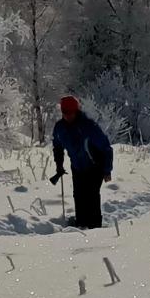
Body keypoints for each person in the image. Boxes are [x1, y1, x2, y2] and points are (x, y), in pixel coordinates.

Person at [50, 94, 113, 229]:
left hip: (95, 166)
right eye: (65, 113)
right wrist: (59, 165)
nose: (67, 116)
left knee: (91, 195)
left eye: (70, 113)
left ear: (76, 111)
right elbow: (57, 146)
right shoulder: (60, 128)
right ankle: (81, 224)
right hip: (77, 166)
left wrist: (107, 170)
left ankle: (95, 226)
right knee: (78, 195)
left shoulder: (89, 126)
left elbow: (106, 148)